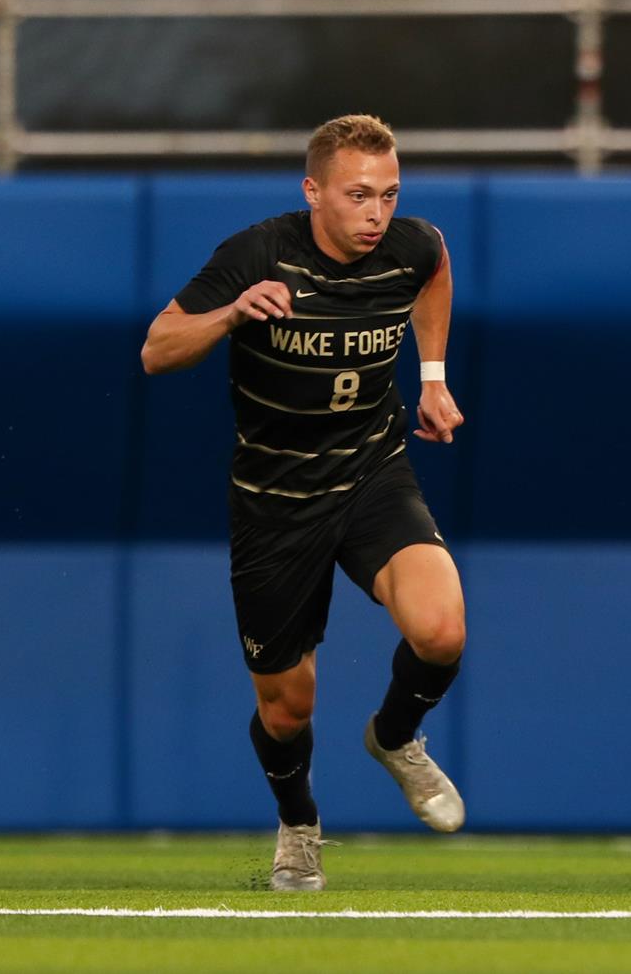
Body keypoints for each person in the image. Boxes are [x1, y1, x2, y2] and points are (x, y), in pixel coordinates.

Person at [140, 114, 469, 891]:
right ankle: (298, 826)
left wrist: (431, 378)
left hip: (371, 472)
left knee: (442, 630)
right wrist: (230, 313)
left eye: (388, 195)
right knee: (288, 709)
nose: (375, 213)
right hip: (274, 499)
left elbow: (436, 269)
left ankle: (396, 738)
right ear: (313, 190)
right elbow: (157, 349)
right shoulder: (260, 252)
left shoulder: (409, 245)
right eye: (358, 195)